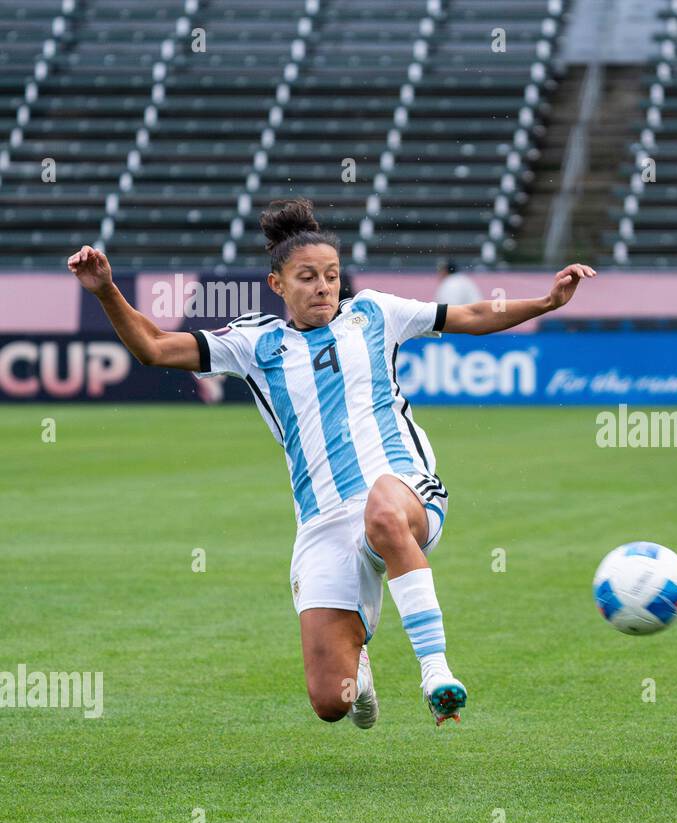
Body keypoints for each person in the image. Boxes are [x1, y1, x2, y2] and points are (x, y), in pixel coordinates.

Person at [68, 198, 597, 729]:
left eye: (331, 276)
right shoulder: (256, 343)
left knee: (384, 511)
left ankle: (435, 670)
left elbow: (472, 316)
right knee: (331, 703)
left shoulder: (374, 313)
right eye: (307, 277)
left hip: (404, 490)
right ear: (278, 284)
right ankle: (358, 656)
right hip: (323, 521)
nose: (323, 286)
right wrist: (106, 291)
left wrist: (547, 301)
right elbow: (155, 347)